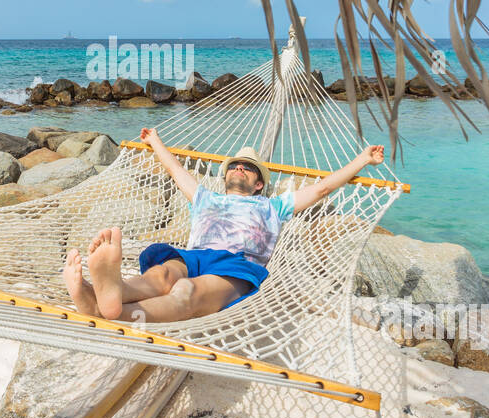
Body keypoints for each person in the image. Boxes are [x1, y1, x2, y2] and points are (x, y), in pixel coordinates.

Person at [62, 126, 386, 323]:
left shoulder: (274, 206)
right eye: (235, 166)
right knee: (162, 274)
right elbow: (176, 171)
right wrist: (156, 141)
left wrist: (362, 160)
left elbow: (322, 188)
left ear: (259, 184)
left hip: (236, 267)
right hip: (195, 256)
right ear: (226, 175)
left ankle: (116, 310)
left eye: (249, 169)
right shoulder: (206, 197)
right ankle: (108, 293)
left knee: (186, 292)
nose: (240, 169)